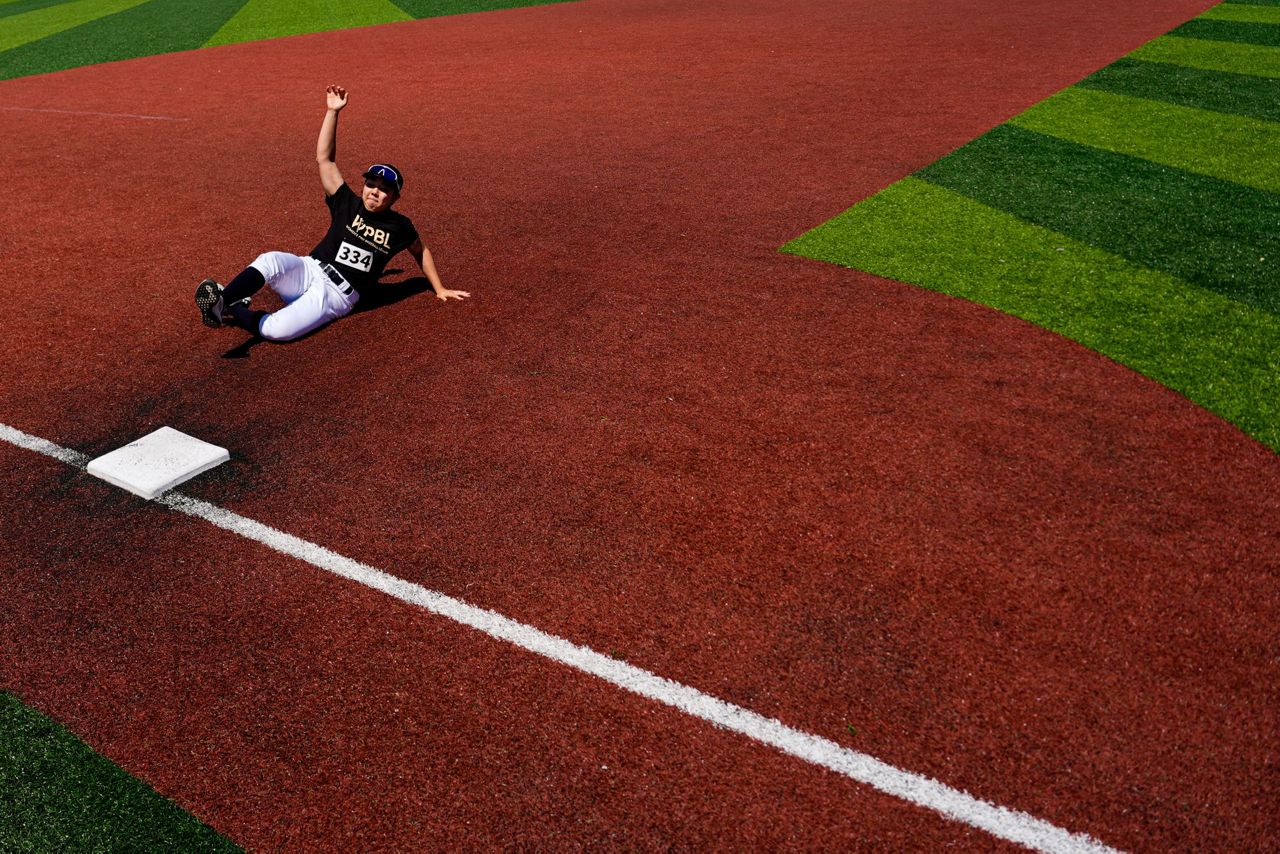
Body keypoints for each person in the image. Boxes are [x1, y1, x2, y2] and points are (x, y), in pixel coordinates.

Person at [195, 84, 469, 340]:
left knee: (276, 331)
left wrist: (439, 288)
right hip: (308, 269)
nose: (374, 190)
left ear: (395, 196)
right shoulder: (346, 203)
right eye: (371, 183)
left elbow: (422, 251)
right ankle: (223, 298)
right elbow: (325, 159)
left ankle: (233, 308)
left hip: (335, 295)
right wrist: (332, 112)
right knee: (270, 261)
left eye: (384, 188)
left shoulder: (400, 226)